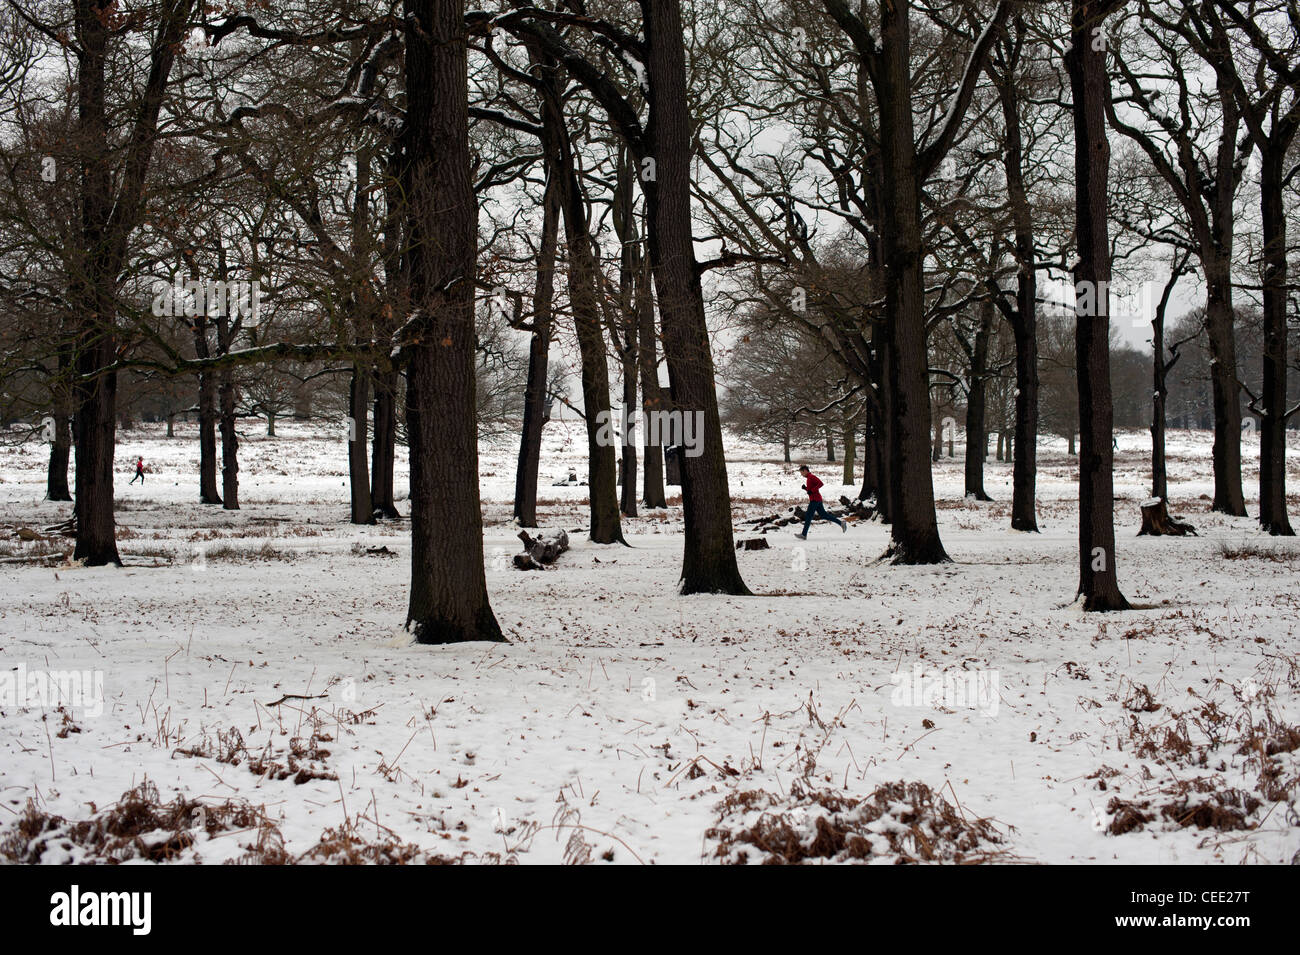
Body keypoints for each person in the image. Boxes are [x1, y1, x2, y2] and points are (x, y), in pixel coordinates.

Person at [795, 464, 845, 539]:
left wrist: (811, 490)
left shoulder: (811, 477)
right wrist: (806, 488)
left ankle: (804, 534)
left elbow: (820, 484)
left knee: (808, 516)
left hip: (815, 500)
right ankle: (841, 523)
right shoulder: (809, 478)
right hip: (817, 499)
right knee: (823, 515)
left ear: (805, 471)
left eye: (801, 473)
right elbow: (811, 490)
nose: (801, 475)